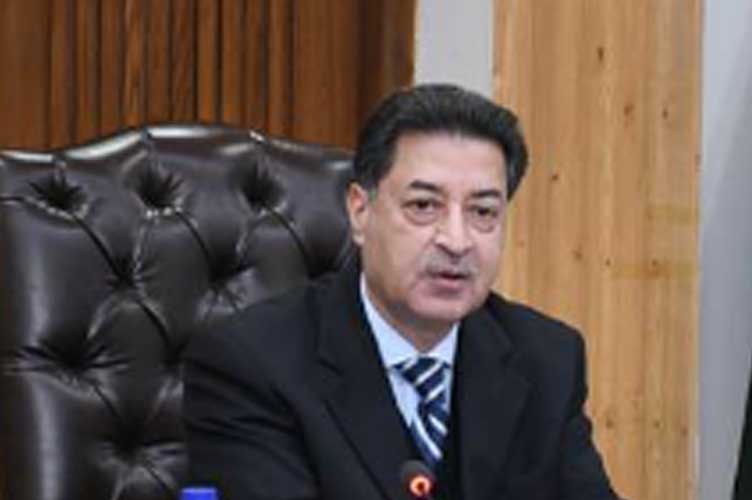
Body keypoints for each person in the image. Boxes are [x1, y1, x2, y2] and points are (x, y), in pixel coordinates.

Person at [184, 84, 622, 500]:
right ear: (360, 211)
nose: (457, 241)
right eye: (423, 206)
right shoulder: (252, 363)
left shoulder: (547, 360)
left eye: (483, 211)